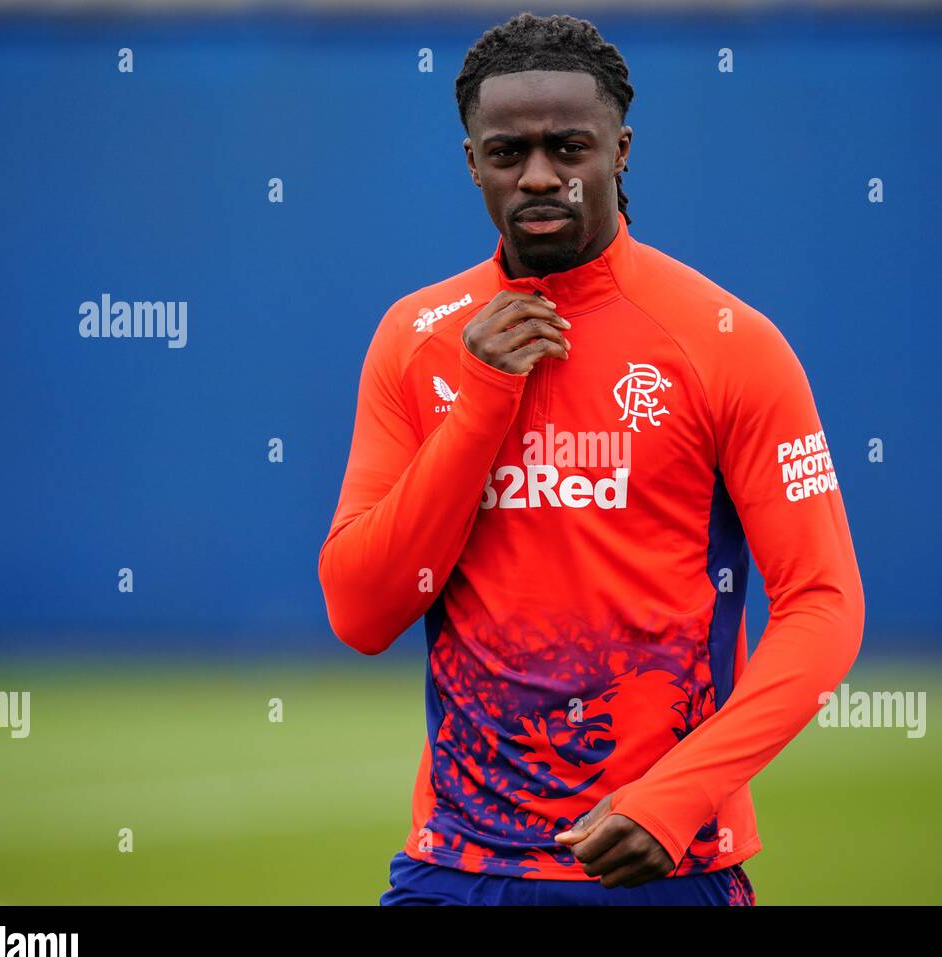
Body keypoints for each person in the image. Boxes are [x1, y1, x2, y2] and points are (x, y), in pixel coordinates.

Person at [319, 11, 865, 906]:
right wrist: (481, 401)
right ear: (472, 163)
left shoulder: (728, 342)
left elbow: (823, 605)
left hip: (659, 865)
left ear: (620, 150)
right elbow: (361, 610)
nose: (540, 176)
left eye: (569, 147)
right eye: (507, 153)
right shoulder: (416, 340)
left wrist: (679, 798)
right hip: (456, 870)